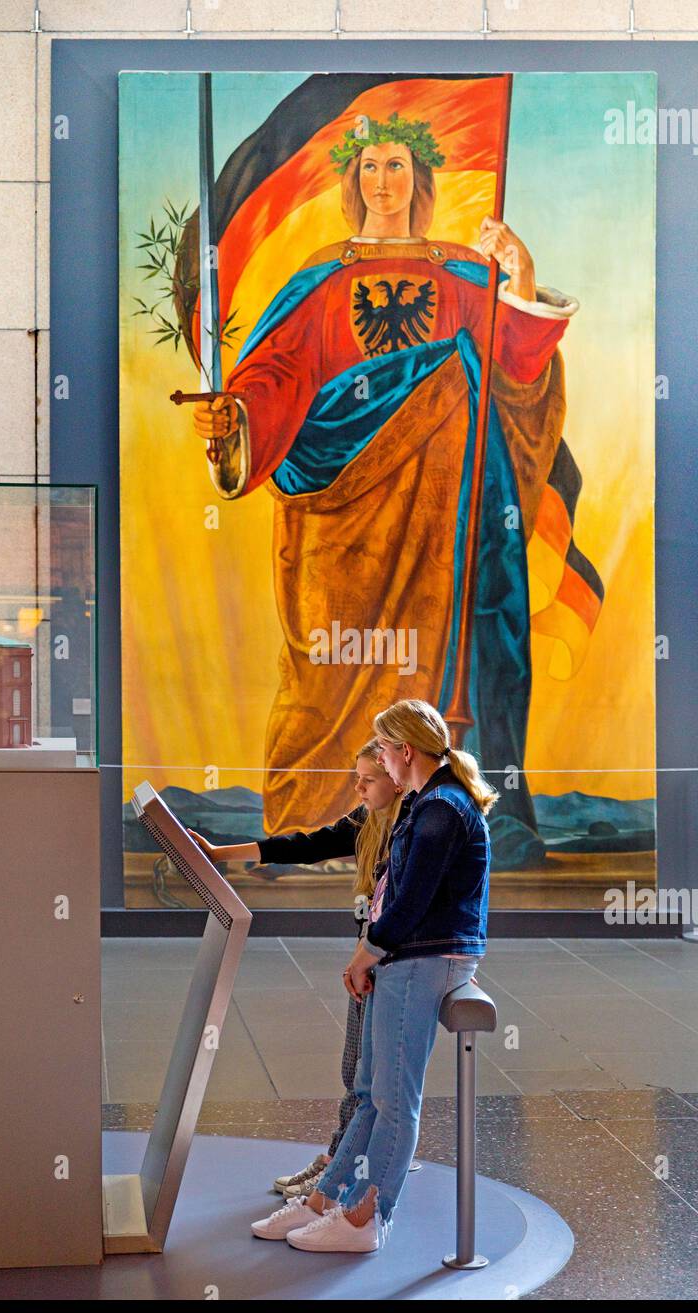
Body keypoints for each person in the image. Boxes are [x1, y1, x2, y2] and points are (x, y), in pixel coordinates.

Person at [190, 114, 585, 869]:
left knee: (443, 662)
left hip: (444, 517)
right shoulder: (323, 279)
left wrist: (522, 281)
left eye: (398, 165)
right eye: (370, 166)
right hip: (347, 516)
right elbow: (277, 377)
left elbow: (517, 368)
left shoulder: (464, 276)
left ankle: (448, 823)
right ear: (352, 181)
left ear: (421, 181)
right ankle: (324, 824)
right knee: (331, 661)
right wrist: (235, 415)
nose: (383, 181)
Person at [248, 697, 496, 1254]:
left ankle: (366, 1219)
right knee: (368, 1092)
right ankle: (328, 1200)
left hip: (424, 956)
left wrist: (368, 952)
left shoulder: (440, 809)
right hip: (408, 955)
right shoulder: (425, 802)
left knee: (392, 1097)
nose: (380, 761)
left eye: (383, 749)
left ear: (405, 750)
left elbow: (411, 900)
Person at [186, 738, 403, 1197]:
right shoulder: (370, 820)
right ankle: (343, 1159)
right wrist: (222, 853)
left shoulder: (414, 825)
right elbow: (309, 845)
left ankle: (345, 1169)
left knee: (371, 1074)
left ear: (397, 776)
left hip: (390, 960)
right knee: (358, 1069)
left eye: (368, 779)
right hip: (371, 954)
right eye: (357, 778)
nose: (358, 789)